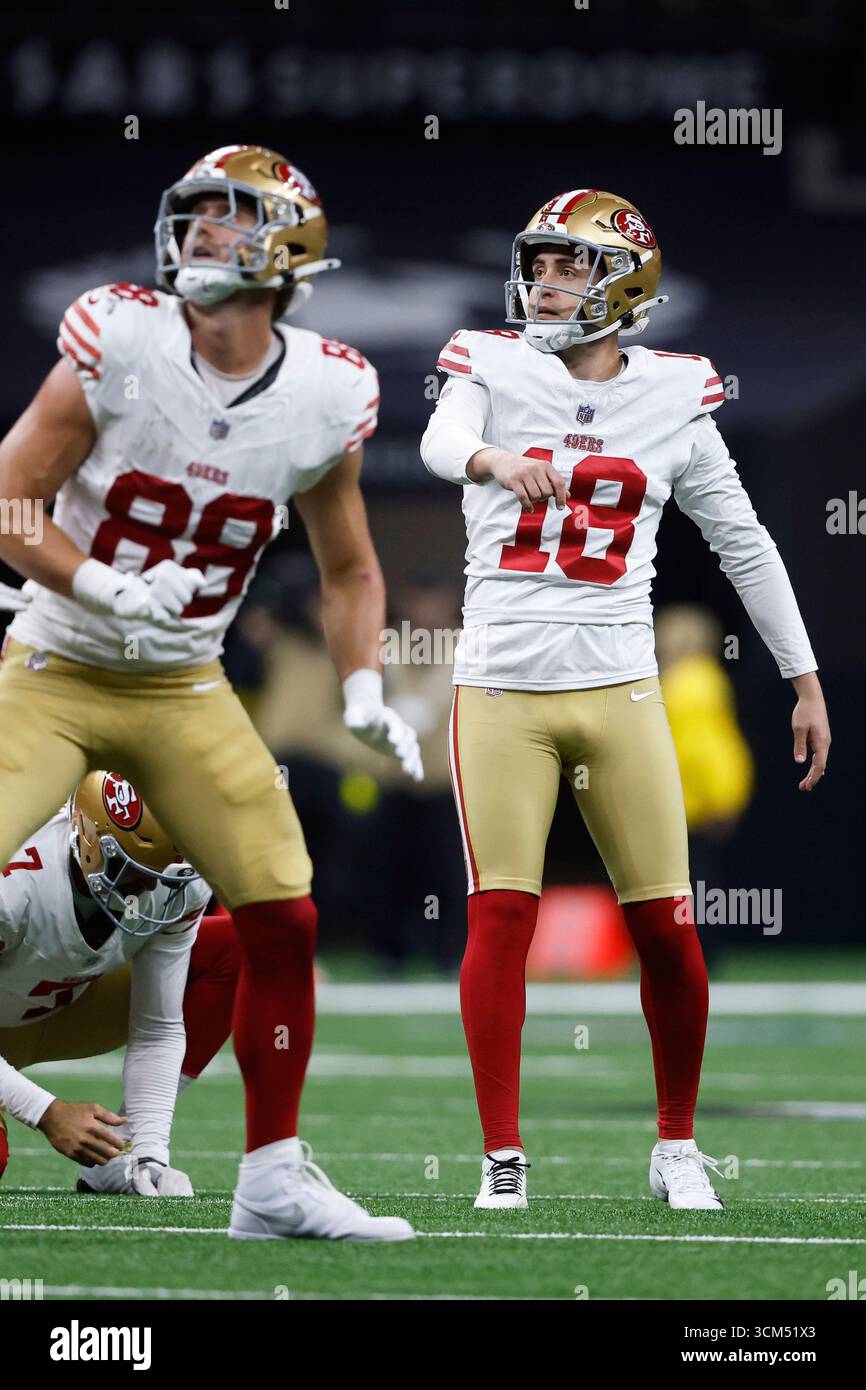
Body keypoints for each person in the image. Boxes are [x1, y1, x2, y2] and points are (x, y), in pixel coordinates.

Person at [0, 144, 421, 1242]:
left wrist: (366, 681)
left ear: (284, 253)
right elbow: (9, 501)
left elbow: (348, 569)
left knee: (281, 907)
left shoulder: (329, 389)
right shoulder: (119, 340)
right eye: (191, 220)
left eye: (227, 223)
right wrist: (104, 583)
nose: (198, 240)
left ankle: (272, 1175)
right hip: (57, 664)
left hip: (181, 682)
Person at [420, 188, 830, 1211]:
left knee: (666, 929)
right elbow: (440, 440)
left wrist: (801, 675)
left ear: (625, 284)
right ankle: (500, 1156)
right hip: (502, 687)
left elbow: (743, 541)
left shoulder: (675, 393)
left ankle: (676, 1145)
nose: (546, 283)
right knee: (498, 918)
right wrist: (488, 458)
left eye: (571, 267)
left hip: (622, 689)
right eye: (539, 264)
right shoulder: (489, 364)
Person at [0, 771, 237, 1195]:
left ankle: (115, 1157)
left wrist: (148, 1153)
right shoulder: (15, 882)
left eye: (163, 870)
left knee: (234, 951)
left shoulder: (175, 880)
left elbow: (157, 1026)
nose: (150, 887)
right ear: (88, 838)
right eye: (134, 871)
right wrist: (46, 1111)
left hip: (61, 1006)